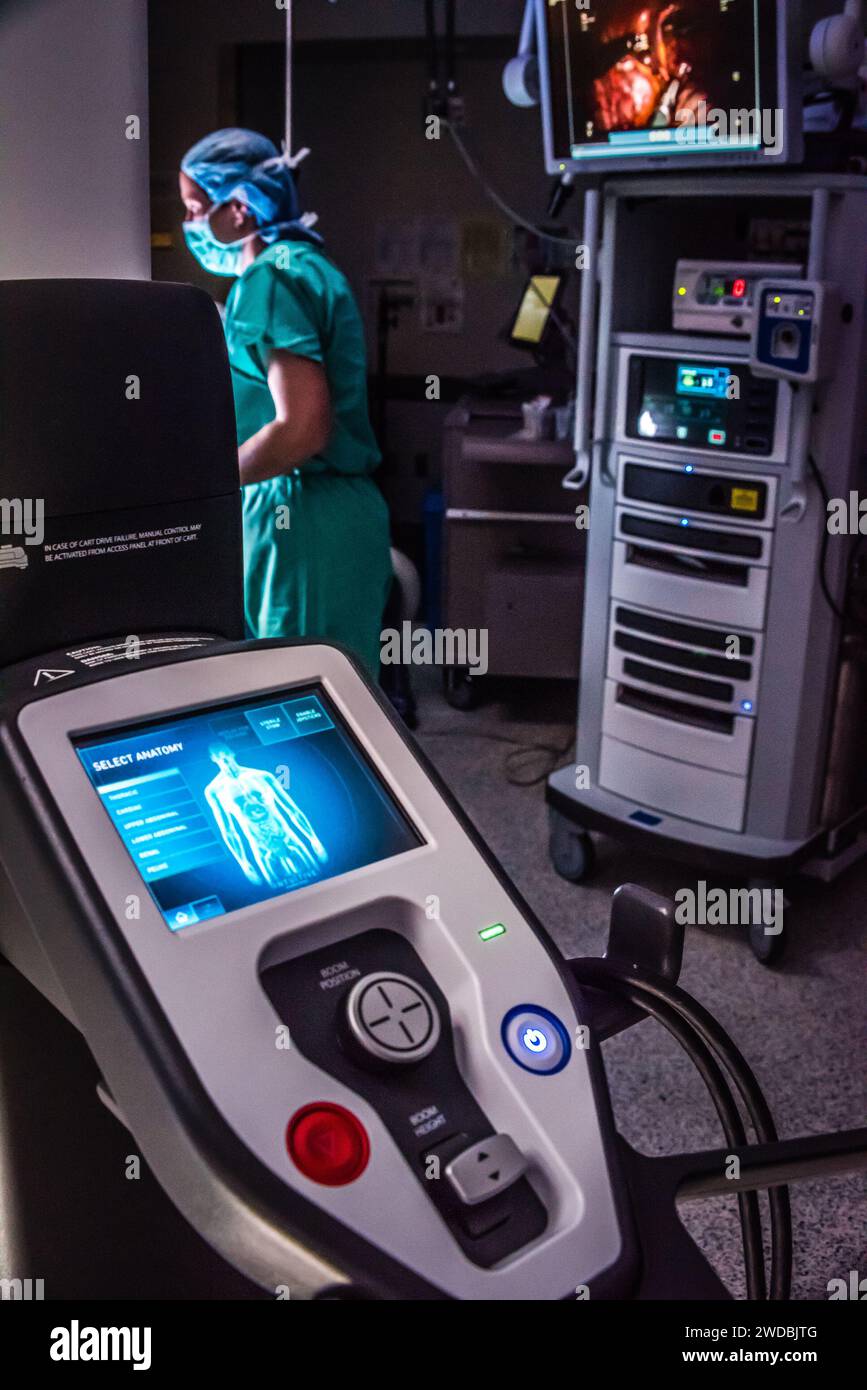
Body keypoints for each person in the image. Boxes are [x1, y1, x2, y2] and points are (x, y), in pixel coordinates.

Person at [179, 128, 392, 676]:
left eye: (195, 208)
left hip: (299, 514)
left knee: (295, 697)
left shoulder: (270, 278)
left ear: (240, 208)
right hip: (326, 515)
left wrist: (203, 486)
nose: (190, 225)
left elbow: (301, 428)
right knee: (331, 695)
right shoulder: (308, 266)